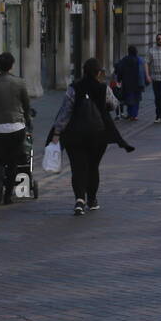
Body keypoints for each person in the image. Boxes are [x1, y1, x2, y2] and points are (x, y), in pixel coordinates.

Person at [52, 58, 132, 216]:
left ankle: (79, 200)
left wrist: (57, 132)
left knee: (78, 167)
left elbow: (65, 112)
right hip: (98, 134)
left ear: (83, 71)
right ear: (98, 73)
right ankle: (92, 199)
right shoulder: (104, 88)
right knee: (93, 167)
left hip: (75, 134)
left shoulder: (74, 88)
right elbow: (115, 104)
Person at [0, 51, 32, 206]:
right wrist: (28, 120)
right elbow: (26, 104)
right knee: (12, 162)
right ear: (11, 65)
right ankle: (8, 196)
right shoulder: (20, 83)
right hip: (17, 125)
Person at [114, 45, 146, 121]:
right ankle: (134, 115)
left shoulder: (125, 59)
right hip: (137, 83)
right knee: (136, 99)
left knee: (129, 99)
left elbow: (119, 70)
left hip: (127, 83)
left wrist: (119, 79)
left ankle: (130, 114)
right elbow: (142, 72)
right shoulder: (139, 60)